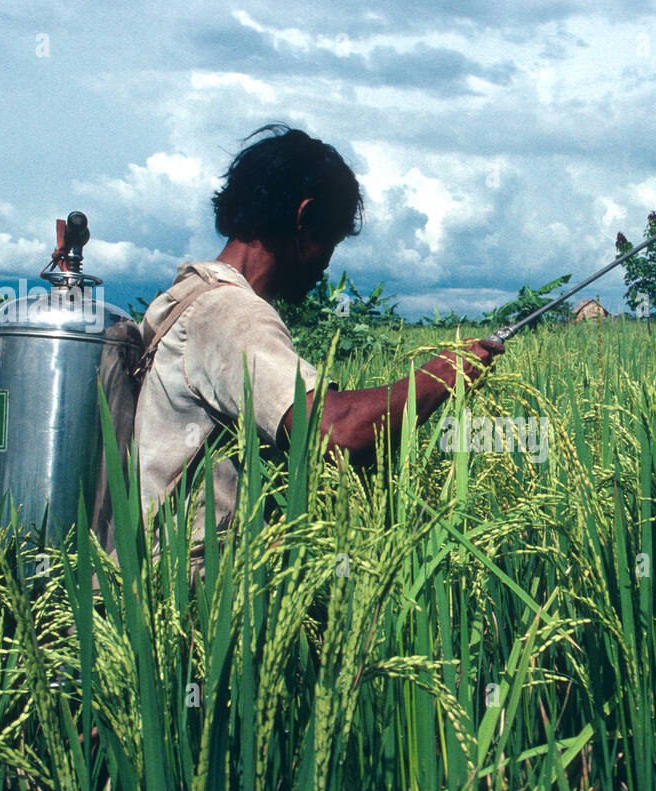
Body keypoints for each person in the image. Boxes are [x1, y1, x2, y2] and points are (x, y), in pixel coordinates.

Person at [132, 123, 503, 554]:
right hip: (192, 599)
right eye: (330, 242)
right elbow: (336, 430)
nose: (326, 264)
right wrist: (444, 372)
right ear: (303, 217)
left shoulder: (181, 299)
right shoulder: (229, 312)